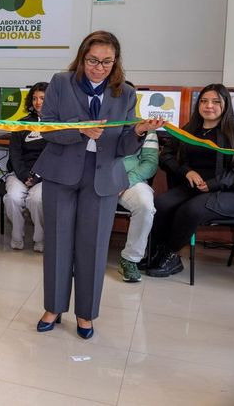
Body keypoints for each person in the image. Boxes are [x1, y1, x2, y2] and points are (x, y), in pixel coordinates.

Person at [32, 30, 163, 339]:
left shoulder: (125, 93)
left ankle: (86, 314)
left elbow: (123, 146)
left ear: (115, 62)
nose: (99, 67)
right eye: (93, 60)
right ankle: (53, 307)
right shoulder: (61, 83)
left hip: (103, 177)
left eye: (107, 62)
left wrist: (139, 132)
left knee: (92, 247)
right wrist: (80, 132)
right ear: (82, 57)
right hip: (62, 172)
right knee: (58, 243)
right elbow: (48, 129)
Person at [146, 83, 234, 277]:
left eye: (215, 102)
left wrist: (212, 184)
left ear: (226, 105)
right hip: (193, 186)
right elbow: (166, 155)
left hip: (227, 190)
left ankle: (171, 255)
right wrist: (186, 171)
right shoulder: (190, 129)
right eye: (204, 101)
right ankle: (157, 252)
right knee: (159, 204)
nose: (208, 106)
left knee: (190, 210)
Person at [116, 82, 159, 282]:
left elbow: (150, 164)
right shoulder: (97, 123)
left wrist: (125, 181)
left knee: (145, 205)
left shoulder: (147, 126)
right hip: (98, 180)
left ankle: (130, 259)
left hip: (130, 182)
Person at [3, 82, 48, 252]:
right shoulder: (21, 123)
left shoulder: (57, 125)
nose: (38, 102)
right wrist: (24, 176)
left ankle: (39, 239)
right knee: (13, 198)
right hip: (20, 173)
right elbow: (14, 153)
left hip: (45, 174)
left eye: (42, 98)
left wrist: (37, 176)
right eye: (35, 98)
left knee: (37, 200)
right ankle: (17, 236)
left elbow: (54, 156)